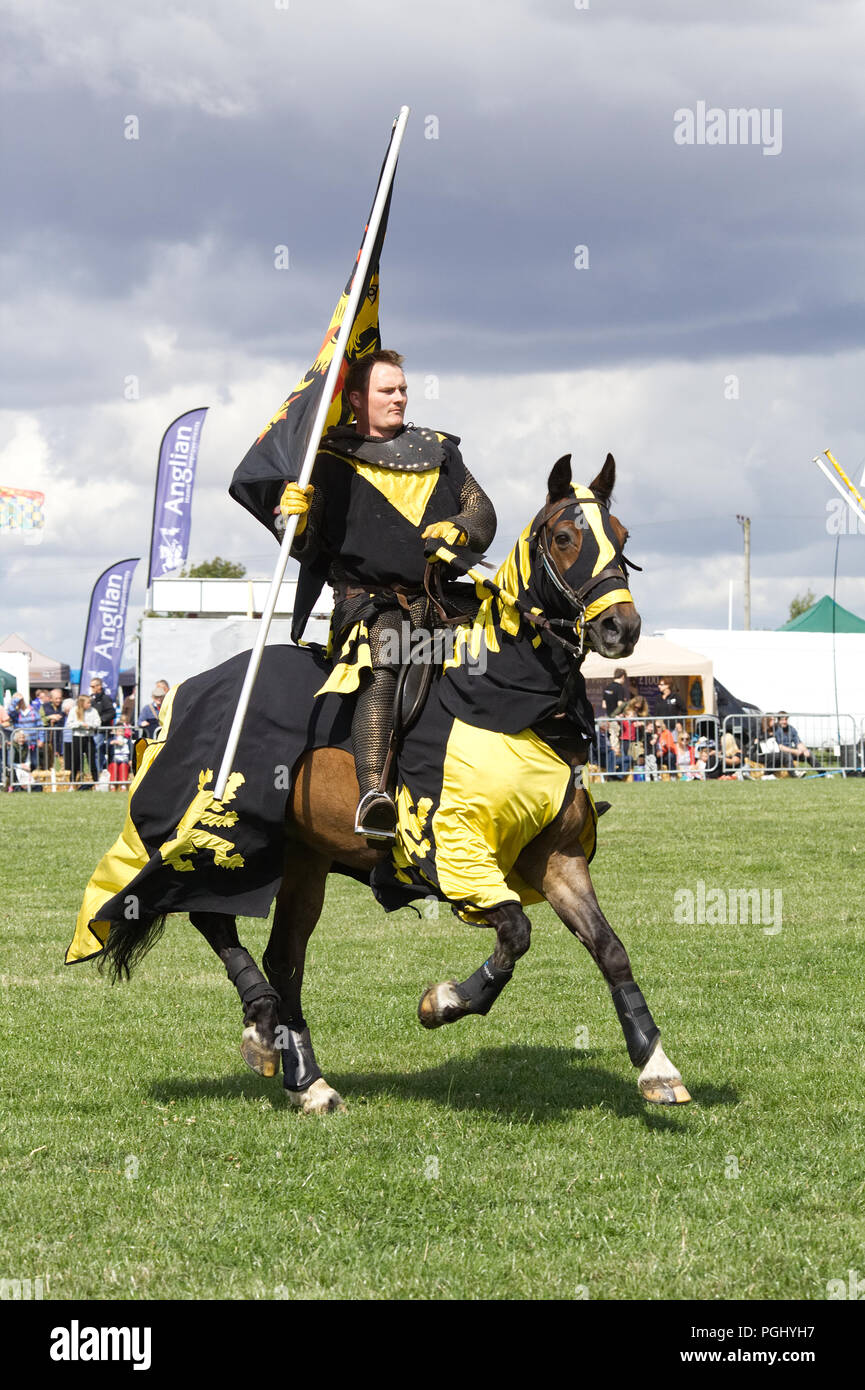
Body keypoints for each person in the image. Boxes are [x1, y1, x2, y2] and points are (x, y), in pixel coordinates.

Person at [276, 349, 497, 839]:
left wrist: (461, 527)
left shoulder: (439, 449)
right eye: (386, 390)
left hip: (440, 598)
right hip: (369, 603)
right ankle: (375, 792)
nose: (398, 397)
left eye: (401, 389)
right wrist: (292, 518)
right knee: (386, 659)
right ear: (357, 398)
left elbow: (483, 514)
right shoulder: (328, 461)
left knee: (513, 643)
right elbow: (308, 549)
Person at [67, 694, 100, 783]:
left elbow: (98, 723)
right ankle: (72, 782)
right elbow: (69, 724)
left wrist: (90, 726)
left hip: (89, 738)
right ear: (82, 703)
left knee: (92, 761)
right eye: (88, 702)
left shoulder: (93, 711)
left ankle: (96, 781)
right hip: (77, 738)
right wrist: (80, 724)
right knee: (75, 761)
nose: (90, 704)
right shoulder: (73, 711)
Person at [88, 678, 116, 773]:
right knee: (95, 751)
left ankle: (99, 770)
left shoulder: (105, 698)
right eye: (90, 686)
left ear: (99, 686)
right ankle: (96, 771)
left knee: (98, 751)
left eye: (93, 686)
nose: (91, 688)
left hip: (101, 730)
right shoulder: (92, 699)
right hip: (93, 730)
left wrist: (100, 720)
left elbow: (112, 712)